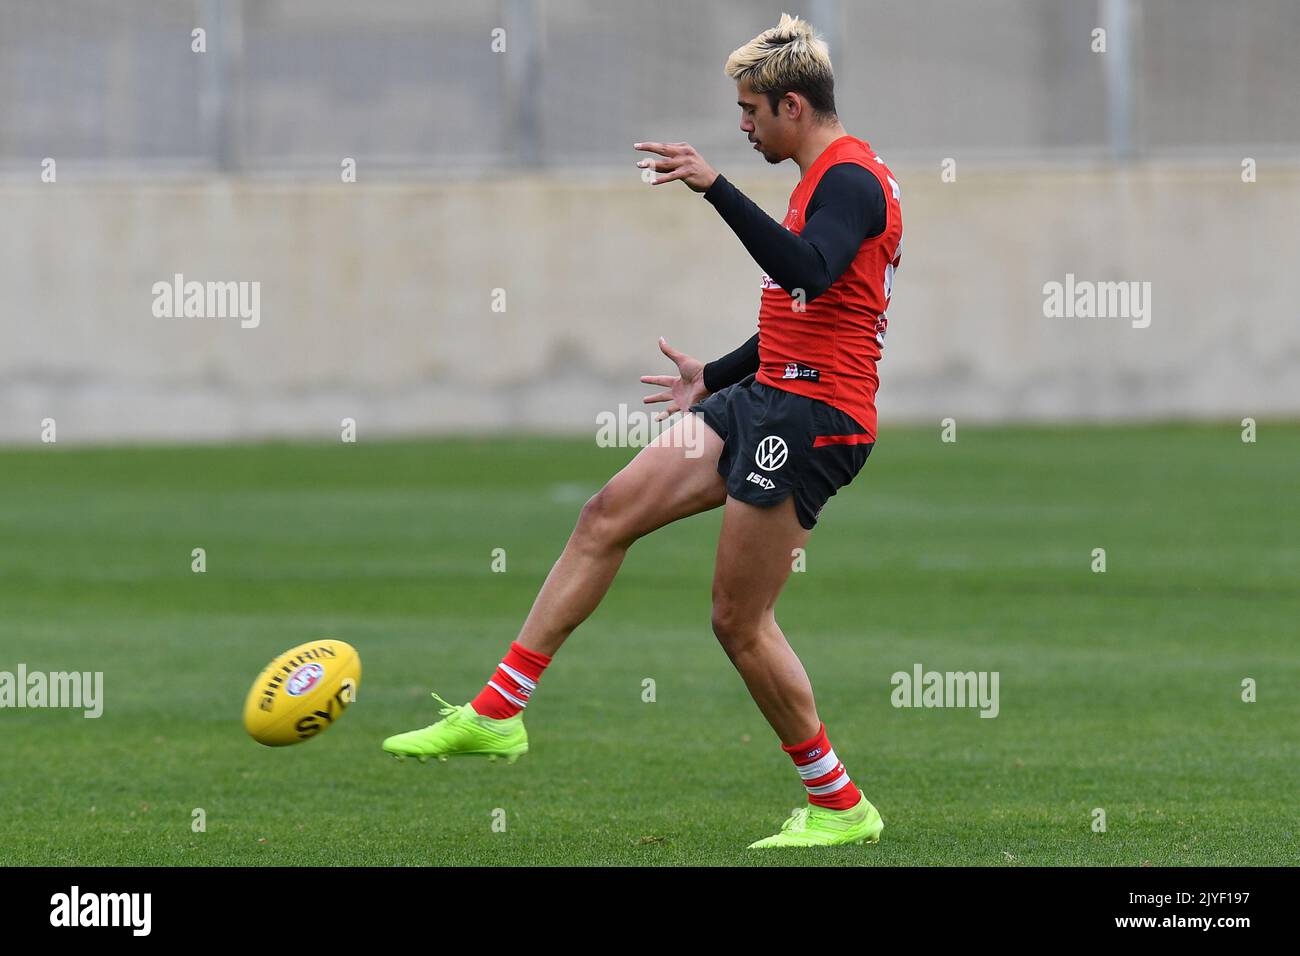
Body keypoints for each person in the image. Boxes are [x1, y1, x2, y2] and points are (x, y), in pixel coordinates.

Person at [382, 12, 903, 849]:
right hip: (765, 395)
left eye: (750, 111)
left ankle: (840, 804)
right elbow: (810, 312)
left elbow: (804, 270)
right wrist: (716, 378)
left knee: (738, 621)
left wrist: (715, 189)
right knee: (605, 514)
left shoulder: (850, 180)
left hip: (813, 419)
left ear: (792, 107)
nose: (742, 127)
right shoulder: (824, 180)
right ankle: (497, 713)